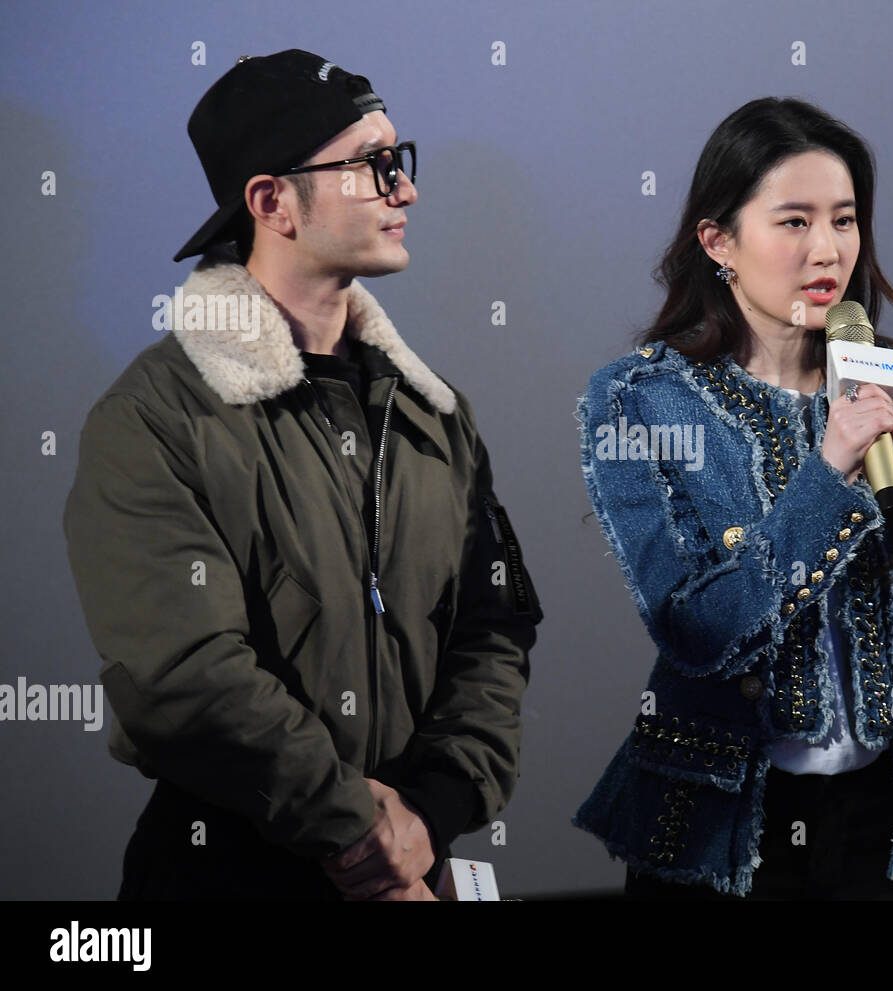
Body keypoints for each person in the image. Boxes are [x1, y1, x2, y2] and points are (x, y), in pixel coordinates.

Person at [573, 97, 893, 899]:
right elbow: (696, 631)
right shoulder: (643, 399)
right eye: (794, 221)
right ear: (718, 241)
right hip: (717, 828)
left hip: (872, 823)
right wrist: (827, 474)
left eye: (845, 219)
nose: (828, 249)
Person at [64, 49, 542, 901]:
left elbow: (493, 632)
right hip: (227, 876)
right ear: (270, 200)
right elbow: (184, 682)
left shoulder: (434, 413)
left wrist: (425, 818)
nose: (406, 190)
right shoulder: (154, 416)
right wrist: (363, 837)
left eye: (401, 158)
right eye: (372, 164)